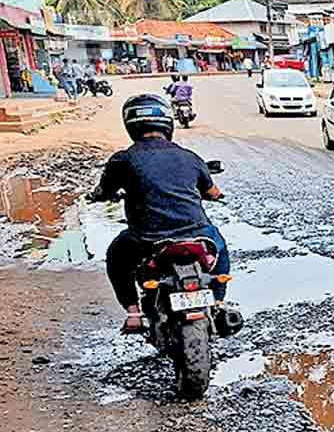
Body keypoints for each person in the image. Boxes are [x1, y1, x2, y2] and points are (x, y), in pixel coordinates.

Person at [90, 95, 230, 333]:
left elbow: (104, 191)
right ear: (168, 123)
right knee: (221, 249)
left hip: (146, 239)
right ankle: (217, 302)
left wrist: (99, 195)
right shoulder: (190, 157)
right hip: (197, 233)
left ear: (131, 125)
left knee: (116, 257)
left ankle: (134, 313)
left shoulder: (123, 160)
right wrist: (214, 195)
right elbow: (214, 192)